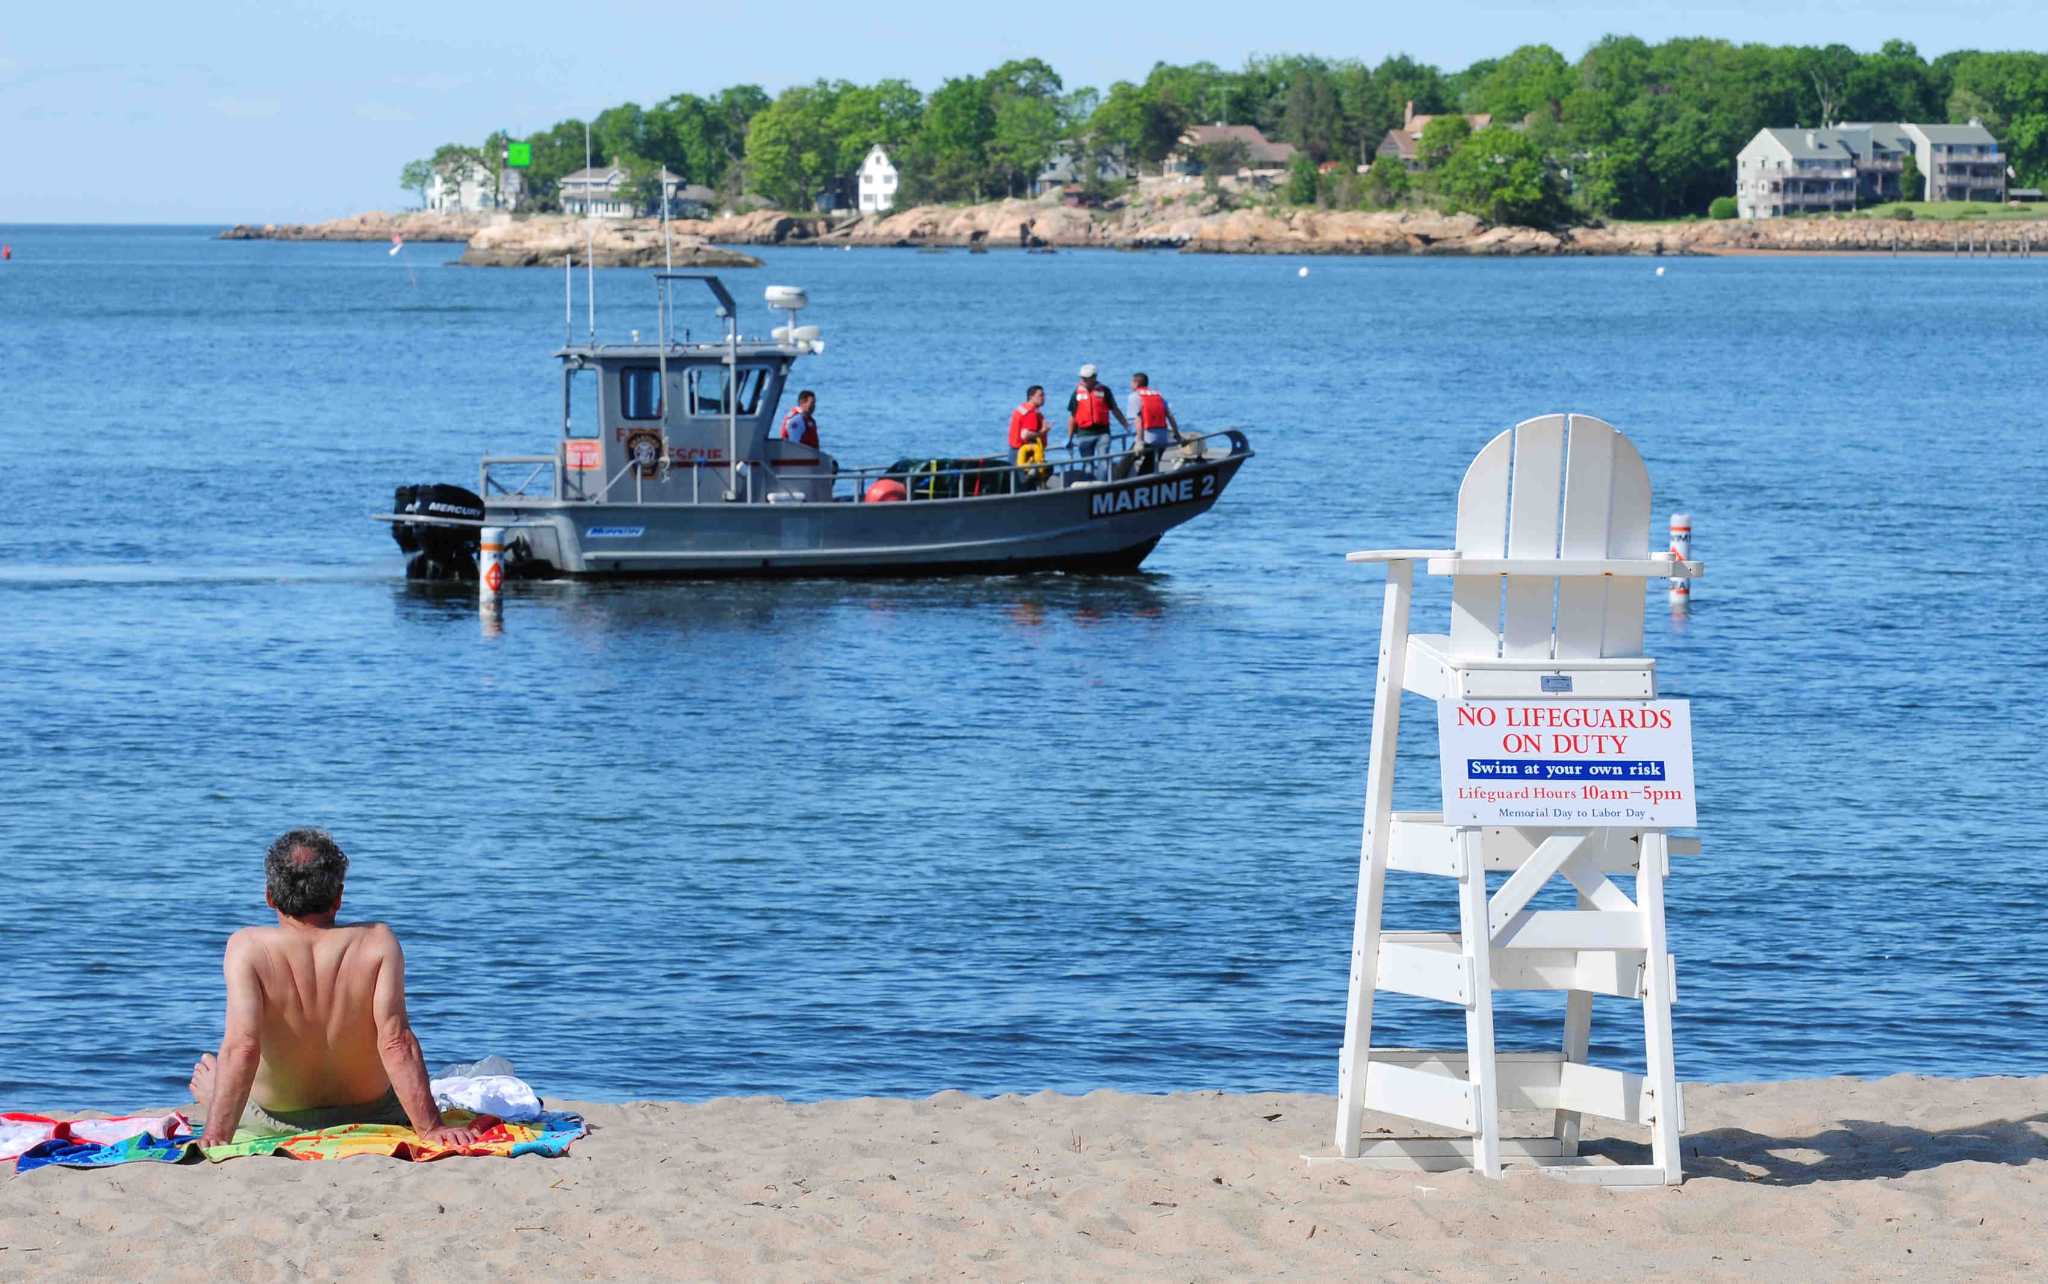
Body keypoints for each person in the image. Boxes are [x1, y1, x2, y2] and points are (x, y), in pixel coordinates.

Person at [187, 829, 480, 1147]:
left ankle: (213, 1093)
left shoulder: (248, 946)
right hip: (372, 1113)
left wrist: (216, 1136)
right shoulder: (377, 941)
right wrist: (431, 1128)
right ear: (338, 897)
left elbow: (243, 1047)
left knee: (211, 1075)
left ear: (270, 896)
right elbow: (396, 1042)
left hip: (279, 1121)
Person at [1066, 364, 1127, 480]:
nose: (1083, 380)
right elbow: (1072, 417)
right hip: (1084, 434)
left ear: (1094, 377)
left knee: (1103, 463)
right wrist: (1069, 437)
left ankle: (1101, 485)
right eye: (1082, 378)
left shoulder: (1105, 391)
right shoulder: (1076, 393)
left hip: (1103, 433)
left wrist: (1126, 425)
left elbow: (1115, 409)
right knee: (1087, 465)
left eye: (1086, 378)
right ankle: (1089, 487)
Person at [1125, 372, 1184, 477]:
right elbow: (1170, 416)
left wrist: (1139, 441)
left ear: (1135, 383)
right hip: (1162, 439)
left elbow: (1137, 420)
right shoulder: (1158, 395)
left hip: (1147, 439)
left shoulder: (1134, 396)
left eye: (1131, 382)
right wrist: (1178, 436)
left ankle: (1117, 481)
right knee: (1149, 466)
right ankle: (1143, 479)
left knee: (1126, 461)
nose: (1130, 384)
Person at [1009, 384, 1049, 469]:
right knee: (1025, 480)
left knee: (1014, 479)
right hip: (1023, 455)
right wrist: (1043, 432)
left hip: (1014, 451)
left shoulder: (1022, 407)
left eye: (1044, 395)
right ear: (1031, 397)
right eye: (1040, 395)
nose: (1044, 398)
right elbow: (1025, 435)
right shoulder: (1031, 413)